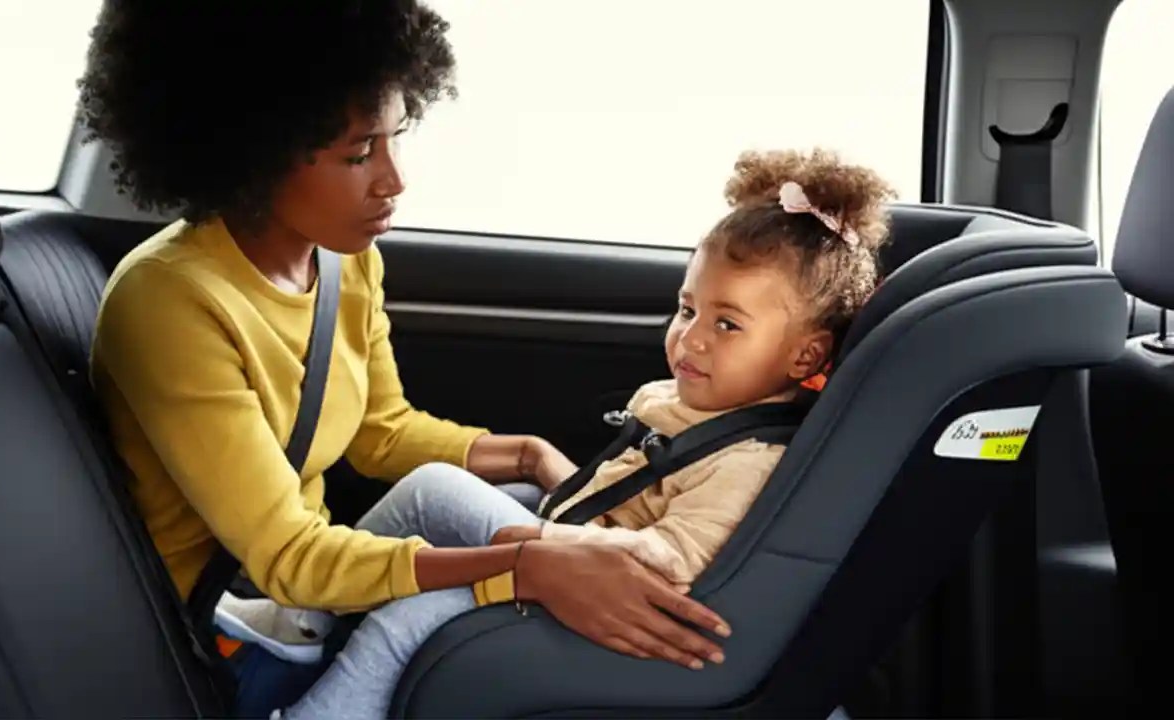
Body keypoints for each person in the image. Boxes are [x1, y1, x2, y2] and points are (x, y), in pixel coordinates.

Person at [77, 1, 729, 717]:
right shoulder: (171, 301)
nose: (393, 179)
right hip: (223, 633)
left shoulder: (343, 264)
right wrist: (525, 565)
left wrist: (530, 456)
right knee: (486, 579)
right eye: (359, 154)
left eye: (395, 138)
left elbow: (381, 432)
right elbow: (290, 556)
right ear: (254, 153)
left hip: (306, 603)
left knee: (481, 502)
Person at [270, 148, 895, 719]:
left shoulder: (749, 462)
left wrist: (533, 542)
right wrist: (550, 491)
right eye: (686, 309)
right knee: (431, 488)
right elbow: (622, 490)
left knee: (412, 618)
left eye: (728, 325)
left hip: (605, 597)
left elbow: (671, 568)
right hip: (581, 539)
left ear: (804, 358)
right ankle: (295, 620)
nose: (692, 337)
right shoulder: (693, 405)